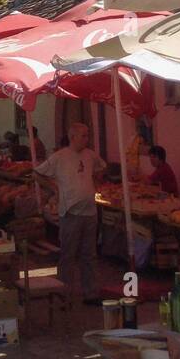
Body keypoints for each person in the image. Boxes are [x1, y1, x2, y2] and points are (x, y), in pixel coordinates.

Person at [35, 121, 107, 306]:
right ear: (72, 137)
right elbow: (38, 173)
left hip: (90, 212)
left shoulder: (90, 155)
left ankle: (90, 293)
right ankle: (64, 293)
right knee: (68, 254)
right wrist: (55, 188)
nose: (87, 139)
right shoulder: (59, 157)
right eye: (83, 135)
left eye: (88, 135)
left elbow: (101, 168)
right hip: (70, 212)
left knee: (89, 254)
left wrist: (94, 183)